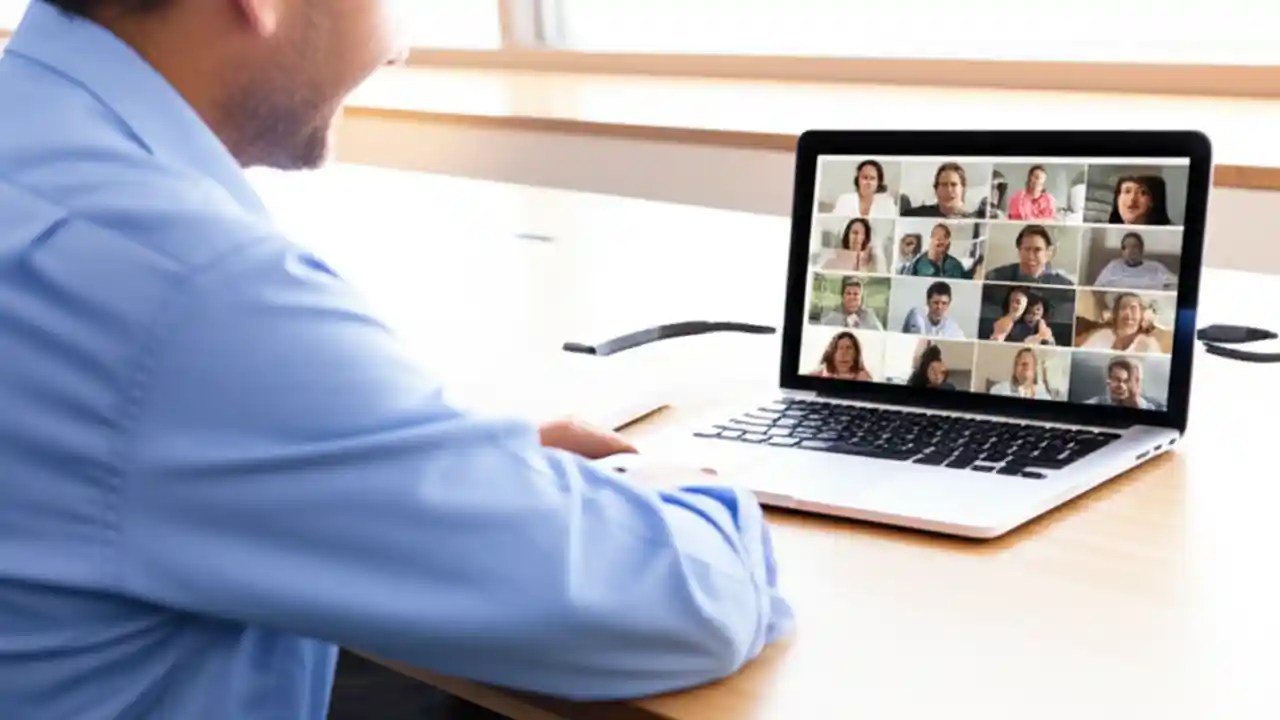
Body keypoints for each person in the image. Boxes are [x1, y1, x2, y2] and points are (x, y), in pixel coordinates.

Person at [0, 3, 793, 719]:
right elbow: (682, 603)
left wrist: (430, 464)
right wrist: (685, 480)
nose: (401, 47)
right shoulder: (191, 291)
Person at [984, 224, 1074, 286]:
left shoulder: (1066, 286)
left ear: (1048, 254)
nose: (1031, 256)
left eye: (1037, 250)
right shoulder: (994, 278)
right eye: (1027, 249)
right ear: (1019, 251)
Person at [1080, 293, 1162, 353]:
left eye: (1133, 308)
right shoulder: (1102, 336)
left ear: (1142, 315)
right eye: (1123, 307)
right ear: (1115, 314)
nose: (1128, 314)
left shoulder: (1149, 344)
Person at [1093, 232, 1178, 290]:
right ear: (1122, 251)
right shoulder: (1113, 266)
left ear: (1141, 250)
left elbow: (1175, 285)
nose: (1130, 250)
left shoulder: (1156, 267)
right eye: (1126, 247)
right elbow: (1096, 288)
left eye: (1134, 246)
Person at [902, 162, 980, 218]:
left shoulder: (974, 219)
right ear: (936, 189)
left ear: (963, 189)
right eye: (944, 185)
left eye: (953, 184)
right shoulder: (916, 215)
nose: (949, 190)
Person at [1085, 357, 1163, 409]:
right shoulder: (1095, 404)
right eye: (1117, 379)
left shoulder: (1157, 406)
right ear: (1108, 380)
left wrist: (1137, 405)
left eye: (1127, 380)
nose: (1122, 386)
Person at [832, 159, 898, 217]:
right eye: (865, 177)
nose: (868, 182)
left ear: (878, 182)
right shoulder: (844, 200)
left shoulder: (887, 203)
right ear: (858, 180)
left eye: (872, 178)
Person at [901, 281, 965, 339]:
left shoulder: (953, 328)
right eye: (936, 303)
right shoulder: (917, 320)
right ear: (928, 302)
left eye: (944, 303)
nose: (939, 307)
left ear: (949, 304)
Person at [819, 276, 885, 330]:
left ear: (861, 298)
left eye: (856, 294)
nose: (851, 297)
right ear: (842, 296)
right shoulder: (833, 317)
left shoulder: (869, 317)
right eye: (848, 293)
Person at [989, 348, 1053, 399]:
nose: (1024, 366)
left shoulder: (1043, 394)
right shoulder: (998, 390)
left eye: (1026, 364)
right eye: (1018, 364)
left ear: (1034, 368)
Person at [1108, 175, 1173, 226]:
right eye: (1127, 191)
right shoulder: (1103, 233)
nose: (1132, 199)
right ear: (1117, 198)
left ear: (1153, 200)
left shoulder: (1172, 236)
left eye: (1142, 193)